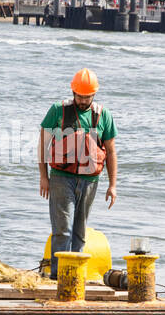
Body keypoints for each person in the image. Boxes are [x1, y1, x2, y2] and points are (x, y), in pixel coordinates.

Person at [39, 69, 118, 279]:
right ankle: (58, 277)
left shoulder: (104, 115)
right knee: (62, 229)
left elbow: (110, 151)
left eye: (87, 96)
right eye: (79, 96)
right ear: (73, 92)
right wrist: (43, 176)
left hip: (90, 180)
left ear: (94, 94)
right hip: (60, 178)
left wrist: (112, 185)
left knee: (80, 232)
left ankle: (74, 275)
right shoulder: (58, 110)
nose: (83, 100)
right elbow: (43, 144)